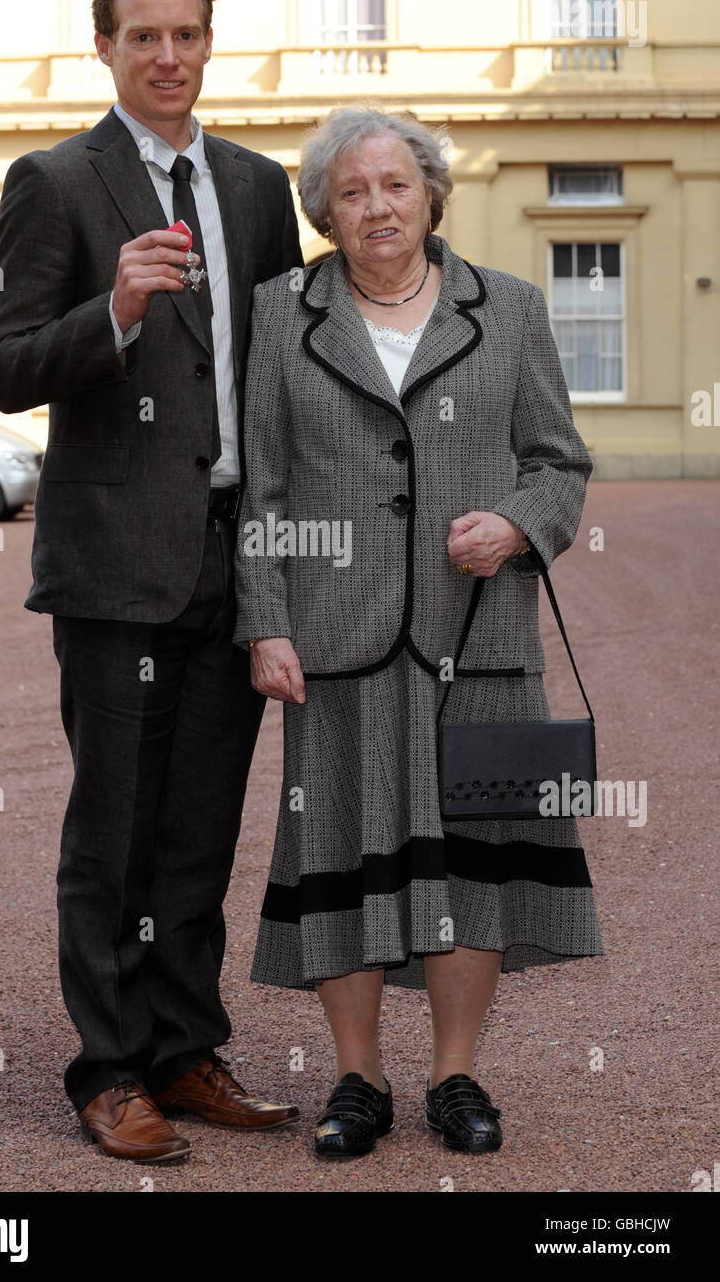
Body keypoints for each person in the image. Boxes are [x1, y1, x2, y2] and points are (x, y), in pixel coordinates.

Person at [0, 0, 304, 1163]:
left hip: (237, 555)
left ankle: (183, 1047)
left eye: (186, 36)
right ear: (104, 48)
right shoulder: (55, 181)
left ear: (209, 44)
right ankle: (108, 1069)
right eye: (143, 38)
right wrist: (111, 310)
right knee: (112, 830)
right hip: (114, 561)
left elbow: (287, 374)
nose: (167, 57)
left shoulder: (260, 186)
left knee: (201, 830)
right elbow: (4, 367)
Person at [234, 105, 604, 1159]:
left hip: (479, 639)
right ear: (326, 213)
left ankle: (455, 1073)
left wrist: (520, 525)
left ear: (431, 192)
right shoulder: (281, 313)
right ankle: (357, 1080)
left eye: (394, 185)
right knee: (336, 855)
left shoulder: (514, 309)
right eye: (351, 193)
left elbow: (559, 462)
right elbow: (260, 488)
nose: (376, 207)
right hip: (334, 644)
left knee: (473, 865)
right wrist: (265, 622)